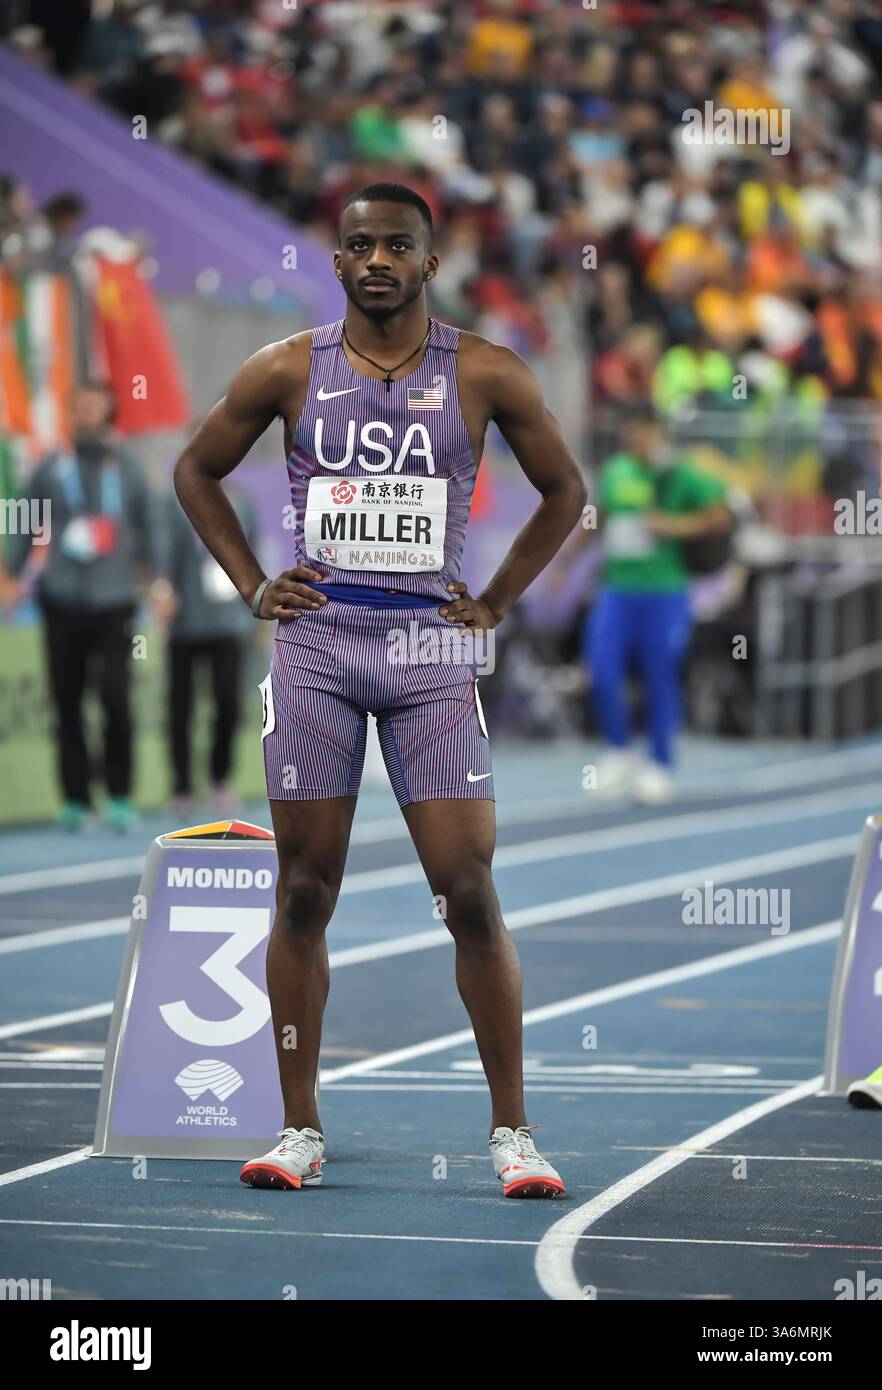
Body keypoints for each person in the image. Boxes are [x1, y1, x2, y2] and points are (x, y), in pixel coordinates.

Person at [173, 182, 586, 1198]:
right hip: (317, 648)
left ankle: (513, 1133)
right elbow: (194, 470)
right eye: (360, 246)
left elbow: (567, 491)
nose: (377, 262)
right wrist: (252, 584)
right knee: (304, 890)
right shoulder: (286, 367)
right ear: (338, 260)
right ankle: (298, 1127)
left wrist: (495, 600)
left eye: (397, 246)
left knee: (467, 891)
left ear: (428, 261)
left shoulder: (485, 370)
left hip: (429, 655)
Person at [3, 381, 156, 832]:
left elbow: (150, 527)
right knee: (66, 699)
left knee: (115, 695)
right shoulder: (49, 468)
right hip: (61, 598)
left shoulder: (128, 467)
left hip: (115, 600)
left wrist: (157, 579)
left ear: (108, 413)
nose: (85, 415)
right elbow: (23, 520)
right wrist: (10, 574)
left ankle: (120, 796)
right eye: (78, 408)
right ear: (69, 413)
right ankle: (75, 798)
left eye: (94, 408)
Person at [572, 406, 731, 804]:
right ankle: (618, 750)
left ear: (657, 433)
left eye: (642, 433)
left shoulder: (681, 473)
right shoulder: (616, 470)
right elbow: (600, 516)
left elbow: (719, 517)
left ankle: (660, 763)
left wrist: (674, 525)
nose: (635, 441)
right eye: (629, 433)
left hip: (664, 592)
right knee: (601, 668)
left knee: (659, 675)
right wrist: (566, 560)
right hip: (617, 590)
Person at [153, 481, 258, 815]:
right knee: (180, 706)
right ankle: (182, 786)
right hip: (185, 622)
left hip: (229, 623)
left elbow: (253, 557)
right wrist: (162, 591)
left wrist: (258, 614)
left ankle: (219, 779)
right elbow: (163, 552)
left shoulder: (241, 502)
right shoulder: (175, 502)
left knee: (228, 701)